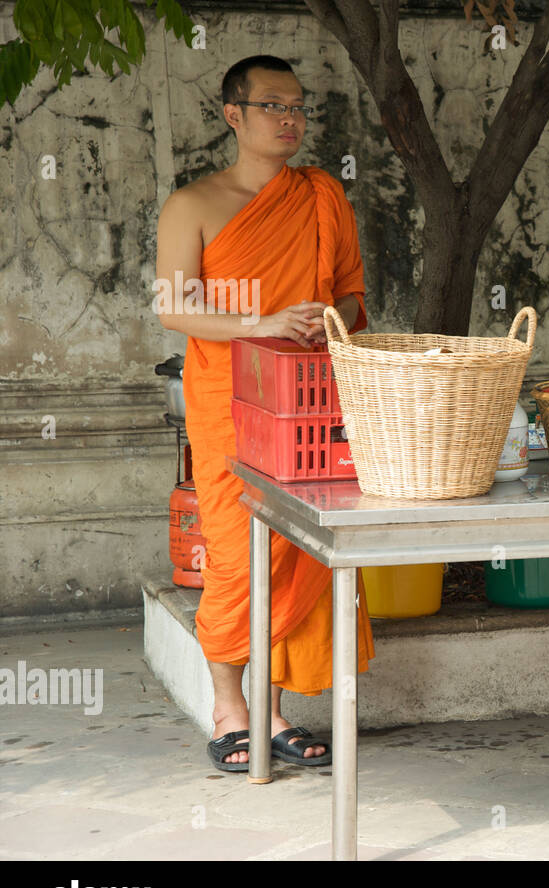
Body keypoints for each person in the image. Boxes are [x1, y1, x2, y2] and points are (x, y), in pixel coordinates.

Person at [154, 55, 375, 770]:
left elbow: (351, 295)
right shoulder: (193, 203)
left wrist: (322, 322)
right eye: (274, 105)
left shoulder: (319, 195)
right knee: (236, 555)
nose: (290, 120)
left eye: (299, 107)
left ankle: (275, 710)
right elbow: (174, 307)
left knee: (301, 546)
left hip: (309, 400)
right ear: (234, 115)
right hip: (229, 402)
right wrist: (265, 319)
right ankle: (228, 709)